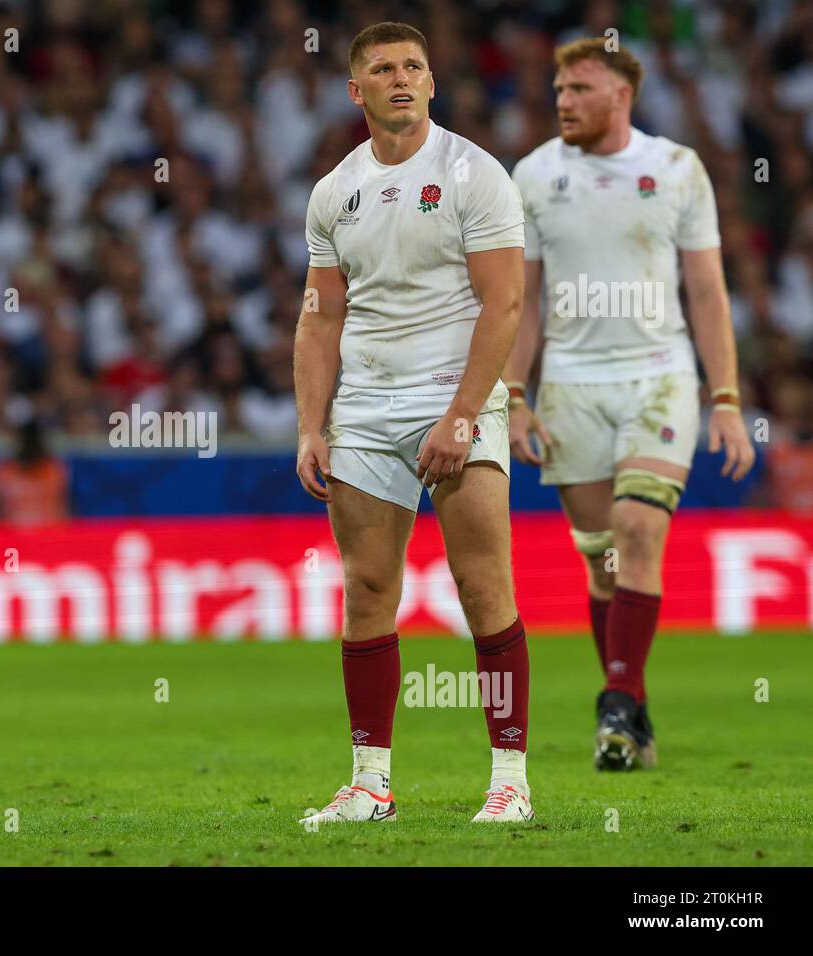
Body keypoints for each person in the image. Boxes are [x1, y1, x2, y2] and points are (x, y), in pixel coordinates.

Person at [295, 22, 532, 824]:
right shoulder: (334, 190)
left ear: (433, 82)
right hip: (363, 407)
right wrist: (310, 425)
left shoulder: (475, 173)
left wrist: (463, 414)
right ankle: (370, 784)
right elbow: (319, 319)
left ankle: (509, 782)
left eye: (415, 67)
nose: (403, 79)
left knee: (480, 583)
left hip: (455, 395)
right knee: (366, 588)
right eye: (384, 69)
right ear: (356, 91)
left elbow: (504, 301)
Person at [505, 38, 755, 771]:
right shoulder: (533, 175)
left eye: (580, 88)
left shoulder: (676, 168)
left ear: (621, 96)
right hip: (573, 386)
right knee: (606, 563)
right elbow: (524, 304)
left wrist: (727, 397)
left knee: (638, 528)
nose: (563, 100)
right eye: (558, 88)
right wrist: (514, 395)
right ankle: (632, 711)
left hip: (659, 374)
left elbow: (707, 290)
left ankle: (614, 705)